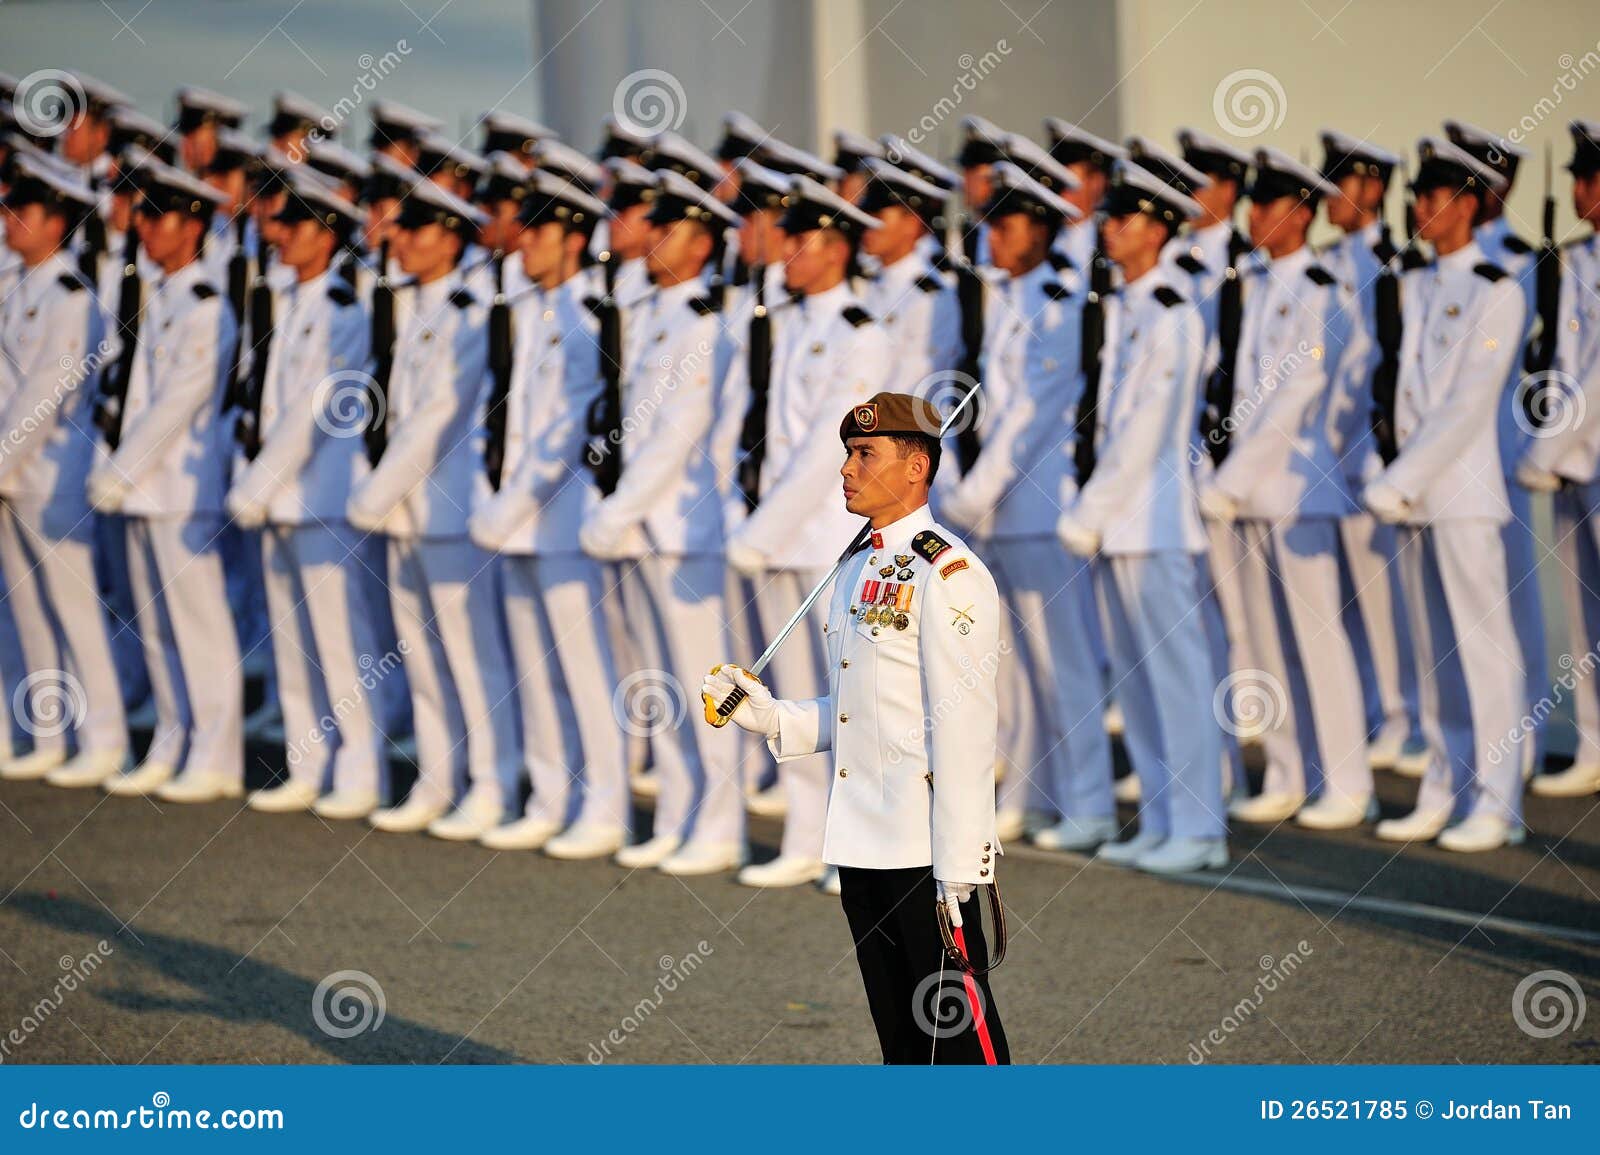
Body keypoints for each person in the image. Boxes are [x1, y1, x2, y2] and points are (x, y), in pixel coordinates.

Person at [705, 391, 1008, 1064]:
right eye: (847, 452)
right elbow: (857, 707)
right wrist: (771, 716)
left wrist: (962, 867)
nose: (847, 467)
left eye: (865, 453)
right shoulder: (853, 567)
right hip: (863, 840)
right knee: (900, 1040)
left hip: (925, 850)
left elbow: (964, 727)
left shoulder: (949, 573)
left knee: (962, 1041)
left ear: (915, 468)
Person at [1057, 161, 1227, 874]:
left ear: (1157, 228)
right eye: (1110, 217)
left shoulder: (1173, 312)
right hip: (1119, 525)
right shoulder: (1125, 307)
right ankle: (1161, 815)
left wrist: (1089, 508)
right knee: (1137, 677)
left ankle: (1200, 826)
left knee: (1178, 678)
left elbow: (1148, 431)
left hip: (1151, 521)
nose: (1110, 228)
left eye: (1124, 219)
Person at [723, 176, 890, 891]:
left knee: (849, 696)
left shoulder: (862, 332)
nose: (783, 251)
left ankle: (861, 847)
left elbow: (835, 452)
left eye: (799, 240)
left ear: (834, 248)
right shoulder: (783, 322)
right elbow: (750, 427)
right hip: (776, 531)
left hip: (825, 532)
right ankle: (805, 833)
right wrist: (746, 514)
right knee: (788, 697)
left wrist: (763, 526)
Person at [938, 161, 1111, 853]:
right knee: (1013, 665)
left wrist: (972, 494)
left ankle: (1091, 802)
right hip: (999, 510)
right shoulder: (1004, 299)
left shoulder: (1060, 303)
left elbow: (1029, 421)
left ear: (1039, 230)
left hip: (1037, 503)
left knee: (1064, 663)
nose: (994, 238)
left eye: (1005, 225)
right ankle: (1034, 792)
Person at [1362, 138, 1527, 852]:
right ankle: (1444, 786)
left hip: (1459, 494)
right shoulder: (1418, 283)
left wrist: (1400, 478)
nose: (1424, 208)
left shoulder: (1497, 286)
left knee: (1485, 651)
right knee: (1433, 655)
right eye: (1420, 197)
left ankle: (1498, 800)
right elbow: (1397, 390)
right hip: (1416, 500)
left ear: (1469, 203)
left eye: (1438, 197)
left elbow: (1466, 405)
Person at [1198, 149, 1370, 830]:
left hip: (1299, 486)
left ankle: (1350, 780)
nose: (1255, 215)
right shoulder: (1261, 282)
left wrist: (1232, 476)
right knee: (1266, 645)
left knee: (1319, 642)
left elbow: (1298, 392)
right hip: (1250, 491)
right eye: (1255, 204)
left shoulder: (1323, 287)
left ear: (1300, 212)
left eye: (1269, 205)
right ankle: (1287, 768)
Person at [577, 171, 744, 875]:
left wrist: (621, 508)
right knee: (666, 683)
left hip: (681, 526)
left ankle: (722, 822)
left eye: (667, 228)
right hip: (646, 527)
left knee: (709, 685)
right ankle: (678, 812)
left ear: (702, 242)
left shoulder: (705, 321)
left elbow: (678, 433)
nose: (649, 238)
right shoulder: (653, 313)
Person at [346, 175, 522, 840]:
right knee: (419, 654)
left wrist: (378, 488)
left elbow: (437, 417)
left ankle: (492, 780)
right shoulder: (409, 304)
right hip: (404, 512)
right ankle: (437, 776)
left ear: (448, 236)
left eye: (415, 230)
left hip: (446, 509)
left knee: (474, 658)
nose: (400, 241)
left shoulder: (471, 310)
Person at [469, 170, 631, 858]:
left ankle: (607, 802)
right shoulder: (527, 311)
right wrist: (491, 496)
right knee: (534, 666)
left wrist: (512, 502)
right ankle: (549, 794)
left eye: (536, 231)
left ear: (570, 239)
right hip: (516, 519)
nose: (523, 242)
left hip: (559, 516)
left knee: (582, 669)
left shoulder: (589, 314)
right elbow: (499, 413)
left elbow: (571, 426)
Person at [227, 168, 387, 819]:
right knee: (293, 642)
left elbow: (315, 409)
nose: (277, 233)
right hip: (276, 497)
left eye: (291, 223)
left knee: (341, 643)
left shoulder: (343, 309)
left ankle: (360, 767)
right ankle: (307, 759)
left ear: (325, 233)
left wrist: (260, 479)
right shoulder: (287, 299)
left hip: (318, 495)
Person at [87, 157, 243, 802]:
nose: (144, 228)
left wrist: (120, 468)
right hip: (147, 488)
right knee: (156, 624)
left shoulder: (206, 304)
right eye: (142, 215)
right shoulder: (160, 296)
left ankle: (218, 751)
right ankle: (175, 738)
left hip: (181, 487)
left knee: (199, 626)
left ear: (192, 225)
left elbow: (179, 400)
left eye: (157, 216)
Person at [0, 153, 128, 787]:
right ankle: (49, 732)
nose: (8, 220)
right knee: (26, 608)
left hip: (50, 472)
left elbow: (45, 393)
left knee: (72, 607)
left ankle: (103, 738)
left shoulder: (71, 295)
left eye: (20, 211)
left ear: (54, 222)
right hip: (11, 473)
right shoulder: (16, 284)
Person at [1318, 129, 1424, 776]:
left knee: (1389, 600)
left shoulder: (1395, 261)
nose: (1330, 196)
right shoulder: (1331, 262)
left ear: (1372, 189)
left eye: (1342, 182)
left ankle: (1403, 715)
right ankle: (1374, 712)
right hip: (1333, 455)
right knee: (1352, 603)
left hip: (1375, 450)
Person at [1516, 118, 1600, 799]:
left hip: (1582, 452)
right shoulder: (1575, 259)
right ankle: (1594, 744)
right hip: (1574, 460)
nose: (1577, 188)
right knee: (1583, 613)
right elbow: (1564, 362)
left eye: (1587, 176)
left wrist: (1548, 446)